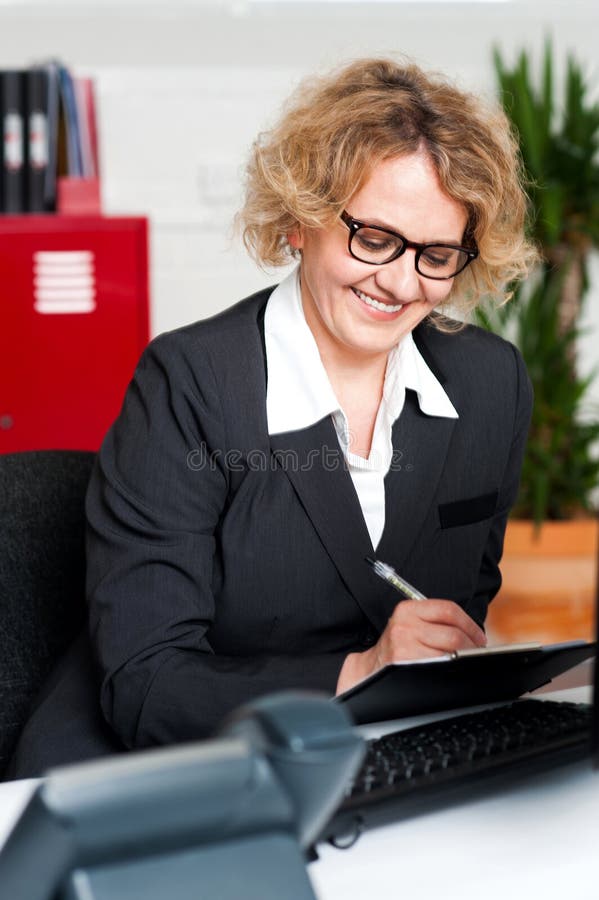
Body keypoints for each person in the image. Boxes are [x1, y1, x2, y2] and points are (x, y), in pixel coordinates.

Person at [10, 57, 536, 774]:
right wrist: (360, 673)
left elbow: (454, 618)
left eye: (436, 254)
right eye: (374, 239)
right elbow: (146, 682)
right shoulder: (191, 383)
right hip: (151, 774)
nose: (401, 281)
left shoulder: (488, 383)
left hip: (365, 762)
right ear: (299, 219)